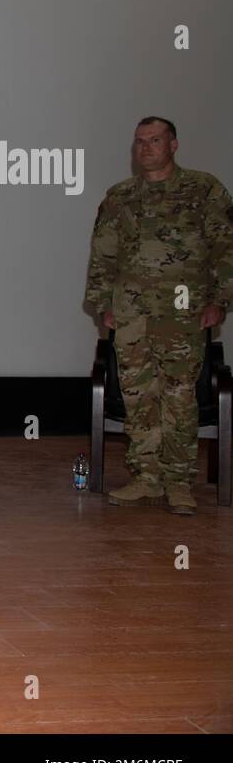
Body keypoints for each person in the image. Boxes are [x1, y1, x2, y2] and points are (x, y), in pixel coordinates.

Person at [86, 116, 233, 516]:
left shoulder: (204, 190)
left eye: (154, 140)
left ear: (174, 145)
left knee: (180, 397)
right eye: (139, 141)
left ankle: (179, 482)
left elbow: (225, 249)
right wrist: (103, 305)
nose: (145, 148)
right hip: (132, 314)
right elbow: (103, 254)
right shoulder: (119, 197)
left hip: (183, 315)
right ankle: (146, 477)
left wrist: (220, 299)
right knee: (138, 398)